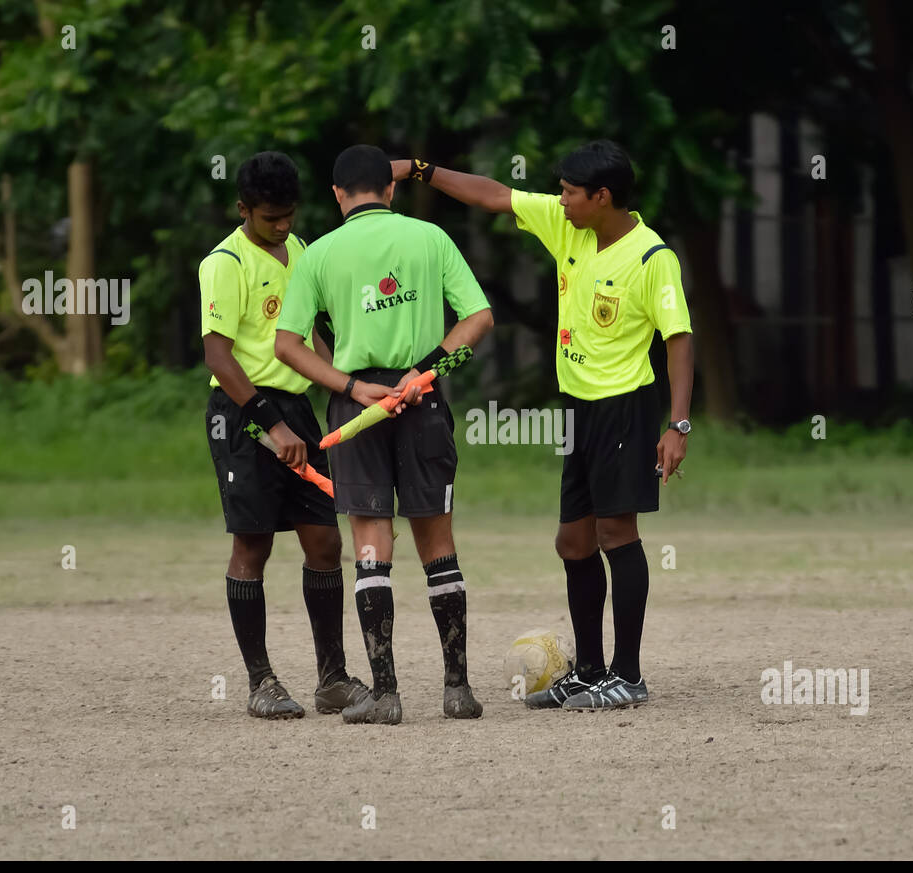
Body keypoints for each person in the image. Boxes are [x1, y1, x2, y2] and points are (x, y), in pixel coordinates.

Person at [392, 140, 695, 710]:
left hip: (625, 406)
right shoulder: (570, 228)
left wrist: (678, 424)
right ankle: (587, 670)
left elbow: (678, 340)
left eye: (569, 192)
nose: (560, 200)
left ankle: (627, 676)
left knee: (615, 535)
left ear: (601, 197)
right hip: (578, 409)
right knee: (572, 541)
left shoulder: (653, 258)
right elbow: (493, 196)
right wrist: (421, 170)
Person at [275, 144, 495, 725]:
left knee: (372, 545)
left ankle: (387, 693)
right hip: (420, 402)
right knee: (438, 544)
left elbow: (287, 345)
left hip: (357, 412)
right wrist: (428, 373)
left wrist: (349, 387)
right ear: (390, 189)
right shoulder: (431, 238)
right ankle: (457, 690)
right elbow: (478, 319)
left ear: (338, 195)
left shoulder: (317, 255)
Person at [200, 151, 370, 719]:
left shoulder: (299, 252)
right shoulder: (224, 263)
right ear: (243, 208)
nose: (282, 225)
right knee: (254, 543)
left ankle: (332, 678)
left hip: (295, 411)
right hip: (244, 411)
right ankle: (261, 682)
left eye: (289, 215)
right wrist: (269, 423)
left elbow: (309, 337)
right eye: (270, 216)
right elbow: (219, 357)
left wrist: (344, 395)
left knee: (324, 542)